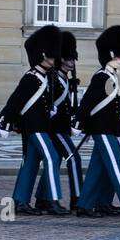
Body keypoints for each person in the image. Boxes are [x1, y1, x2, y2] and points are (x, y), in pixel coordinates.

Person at [74, 25, 120, 220]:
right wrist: (78, 123)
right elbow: (87, 102)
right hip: (102, 129)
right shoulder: (102, 77)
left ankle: (85, 205)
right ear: (113, 54)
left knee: (98, 168)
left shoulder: (117, 77)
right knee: (117, 166)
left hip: (112, 128)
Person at [0, 24, 69, 216]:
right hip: (34, 128)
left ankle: (19, 201)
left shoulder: (45, 77)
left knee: (31, 163)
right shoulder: (31, 77)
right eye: (52, 55)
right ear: (43, 55)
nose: (55, 59)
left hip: (41, 126)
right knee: (52, 157)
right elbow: (15, 101)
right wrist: (3, 121)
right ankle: (52, 200)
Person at [37, 30, 83, 211]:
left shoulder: (63, 78)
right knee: (73, 158)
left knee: (54, 162)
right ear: (61, 58)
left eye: (72, 59)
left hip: (62, 127)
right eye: (68, 59)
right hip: (54, 128)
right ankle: (77, 198)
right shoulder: (53, 78)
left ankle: (42, 198)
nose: (71, 62)